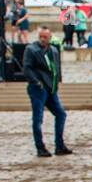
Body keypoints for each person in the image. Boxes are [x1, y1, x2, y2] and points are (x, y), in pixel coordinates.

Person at [23, 27, 72, 157]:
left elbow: (56, 68)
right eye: (41, 37)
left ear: (50, 37)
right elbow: (26, 68)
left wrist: (56, 83)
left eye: (45, 37)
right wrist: (36, 82)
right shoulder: (31, 49)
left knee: (61, 114)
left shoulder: (53, 50)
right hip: (38, 88)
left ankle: (59, 145)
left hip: (51, 88)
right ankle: (40, 147)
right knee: (38, 119)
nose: (43, 39)